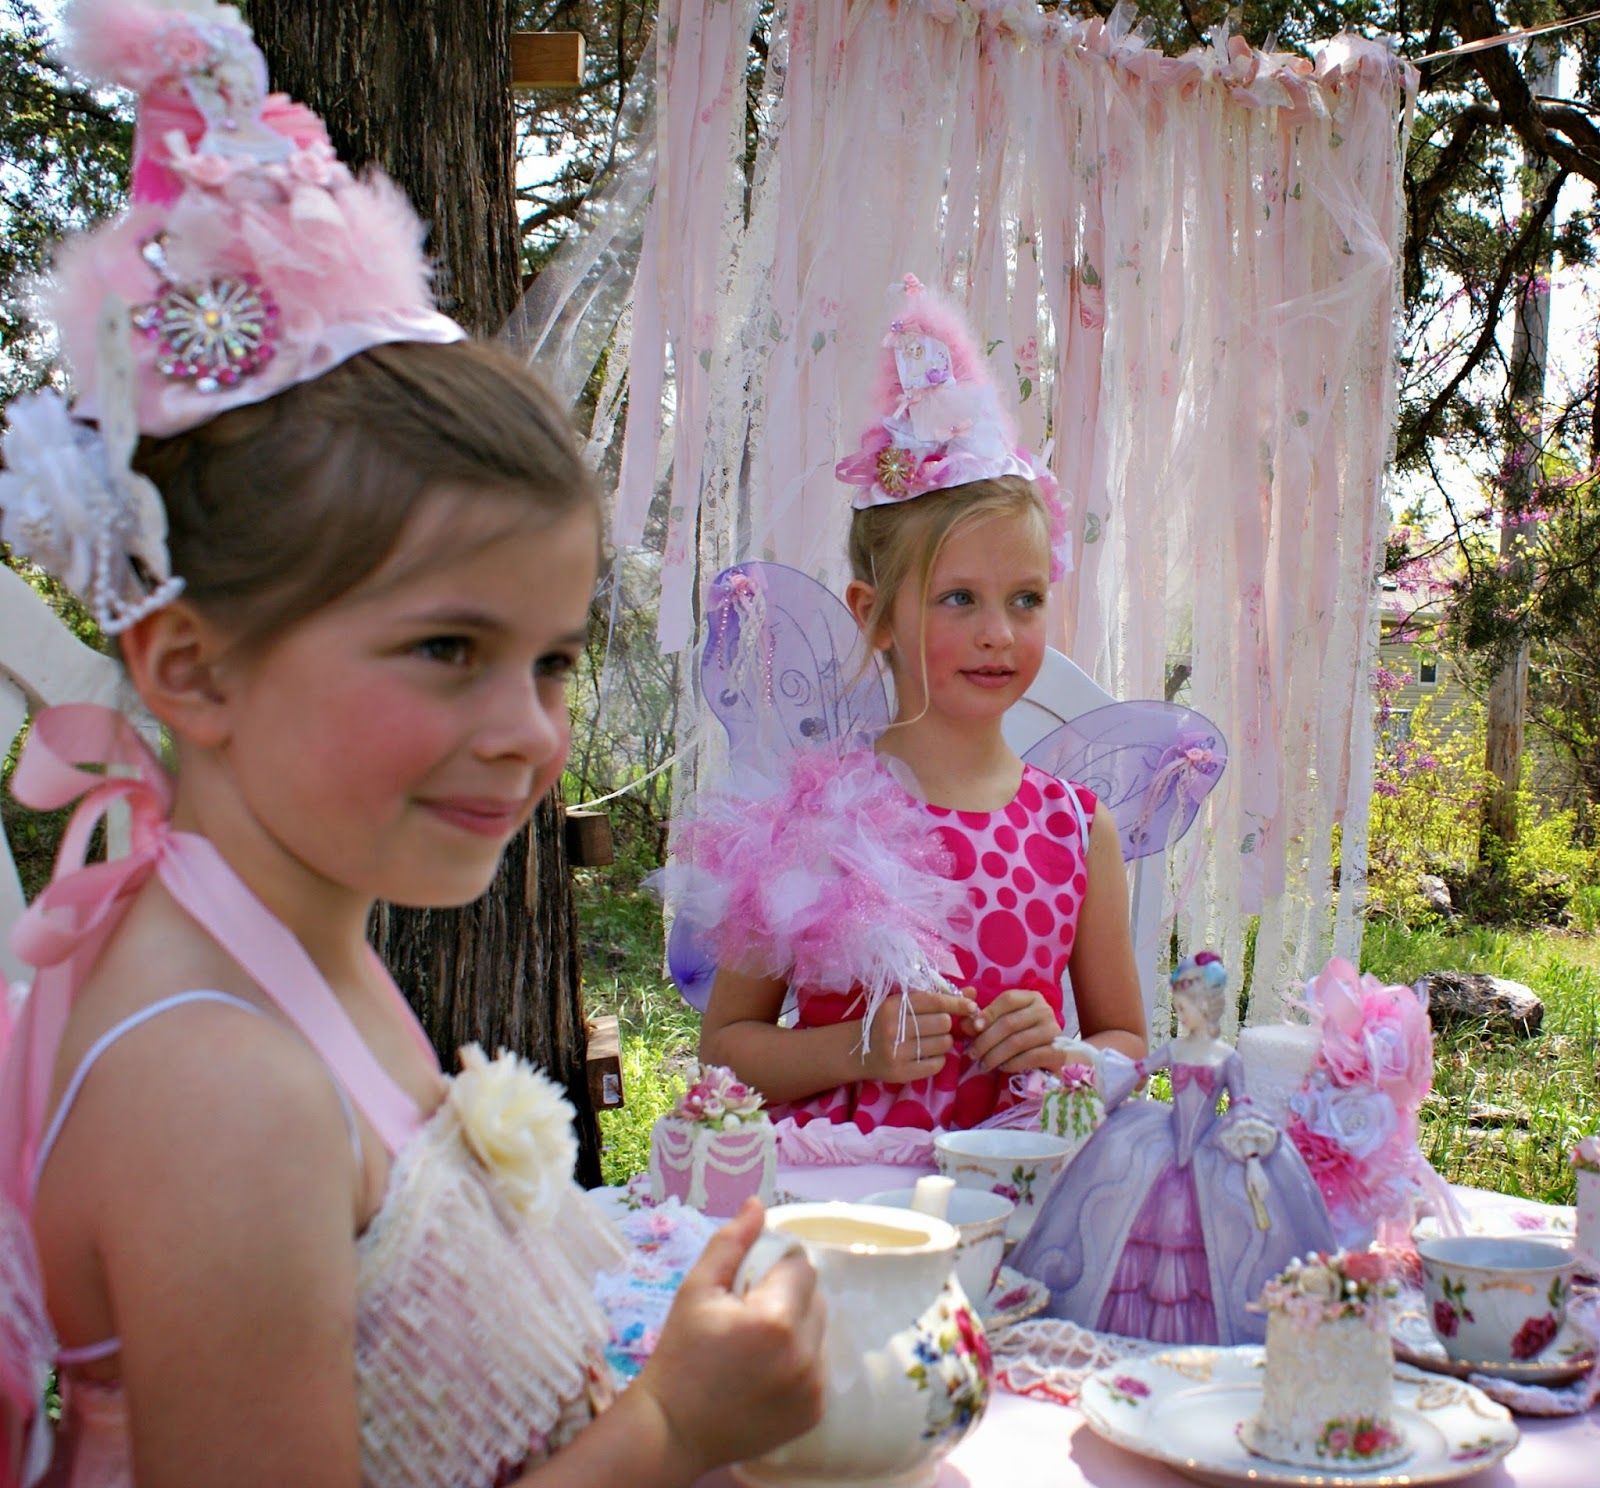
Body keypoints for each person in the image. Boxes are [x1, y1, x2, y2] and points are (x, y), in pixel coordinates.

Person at [0, 4, 824, 1486]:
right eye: (449, 649)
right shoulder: (217, 1086)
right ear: (192, 666)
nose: (528, 736)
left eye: (551, 660)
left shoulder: (292, 944)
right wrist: (673, 1429)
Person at [687, 276, 1148, 1133]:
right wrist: (852, 1050)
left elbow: (1125, 1040)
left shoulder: (1078, 831)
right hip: (849, 1188)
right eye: (957, 598)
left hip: (1019, 1187)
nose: (998, 634)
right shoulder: (815, 822)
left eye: (1024, 600)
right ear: (875, 616)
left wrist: (1063, 1053)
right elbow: (726, 1049)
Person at [1010, 952, 1336, 1345]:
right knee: (1119, 1201)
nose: (1183, 1014)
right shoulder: (1176, 1049)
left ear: (1210, 1004)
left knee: (1209, 1232)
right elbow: (1135, 1071)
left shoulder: (1227, 1058)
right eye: (1179, 1006)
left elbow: (1241, 1105)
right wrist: (1090, 1066)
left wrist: (1250, 1155)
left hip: (1209, 1150)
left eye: (1188, 1005)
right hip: (1162, 1144)